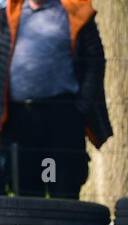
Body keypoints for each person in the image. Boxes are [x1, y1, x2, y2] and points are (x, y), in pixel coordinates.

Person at [0, 0, 111, 199]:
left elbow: (94, 62)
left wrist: (82, 107)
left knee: (61, 186)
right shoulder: (6, 17)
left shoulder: (75, 14)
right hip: (20, 118)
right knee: (25, 190)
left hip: (61, 118)